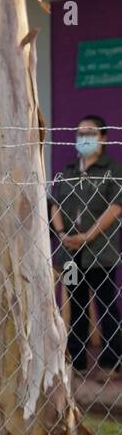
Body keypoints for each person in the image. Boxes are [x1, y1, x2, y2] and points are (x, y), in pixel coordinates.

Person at [52, 116, 122, 374]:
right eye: (80, 133)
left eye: (90, 133)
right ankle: (78, 361)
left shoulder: (111, 170)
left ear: (103, 138)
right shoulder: (69, 170)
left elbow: (115, 208)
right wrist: (61, 233)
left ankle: (111, 361)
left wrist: (89, 235)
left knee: (105, 305)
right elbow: (55, 203)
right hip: (70, 253)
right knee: (76, 303)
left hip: (100, 253)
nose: (84, 138)